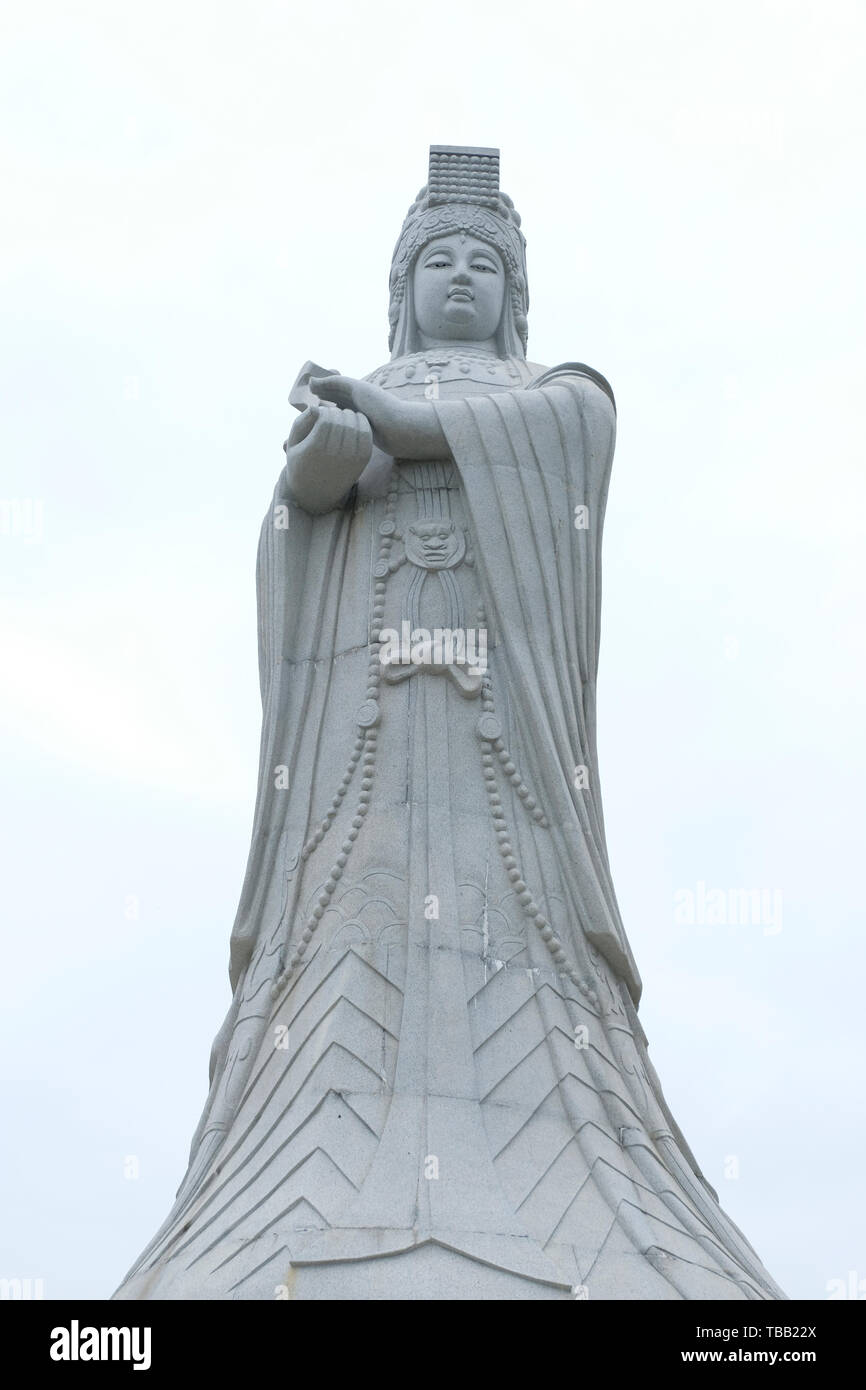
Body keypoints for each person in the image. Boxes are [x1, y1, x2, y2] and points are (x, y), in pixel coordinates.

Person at [114, 147, 784, 1300]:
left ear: (514, 296)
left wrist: (378, 422)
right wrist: (316, 484)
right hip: (363, 756)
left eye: (485, 262)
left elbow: (574, 430)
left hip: (501, 761)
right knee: (341, 932)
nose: (461, 277)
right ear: (403, 285)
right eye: (440, 259)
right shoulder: (355, 408)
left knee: (516, 938)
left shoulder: (555, 401)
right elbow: (296, 545)